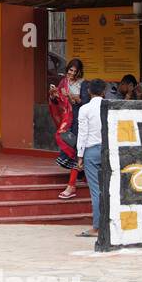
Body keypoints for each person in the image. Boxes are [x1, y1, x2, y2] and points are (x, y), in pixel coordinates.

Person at [49, 58, 87, 199]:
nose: (71, 73)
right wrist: (54, 95)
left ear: (79, 72)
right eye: (70, 70)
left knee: (78, 149)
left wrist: (69, 95)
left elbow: (83, 101)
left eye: (74, 71)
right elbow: (58, 102)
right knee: (73, 148)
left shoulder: (83, 83)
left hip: (79, 119)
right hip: (67, 119)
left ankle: (72, 184)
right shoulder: (63, 82)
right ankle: (80, 176)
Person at [75, 79, 107, 238]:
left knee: (96, 191)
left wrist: (79, 156)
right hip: (107, 151)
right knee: (109, 188)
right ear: (104, 91)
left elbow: (83, 134)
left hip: (91, 151)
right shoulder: (108, 107)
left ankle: (97, 227)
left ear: (89, 91)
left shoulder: (84, 109)